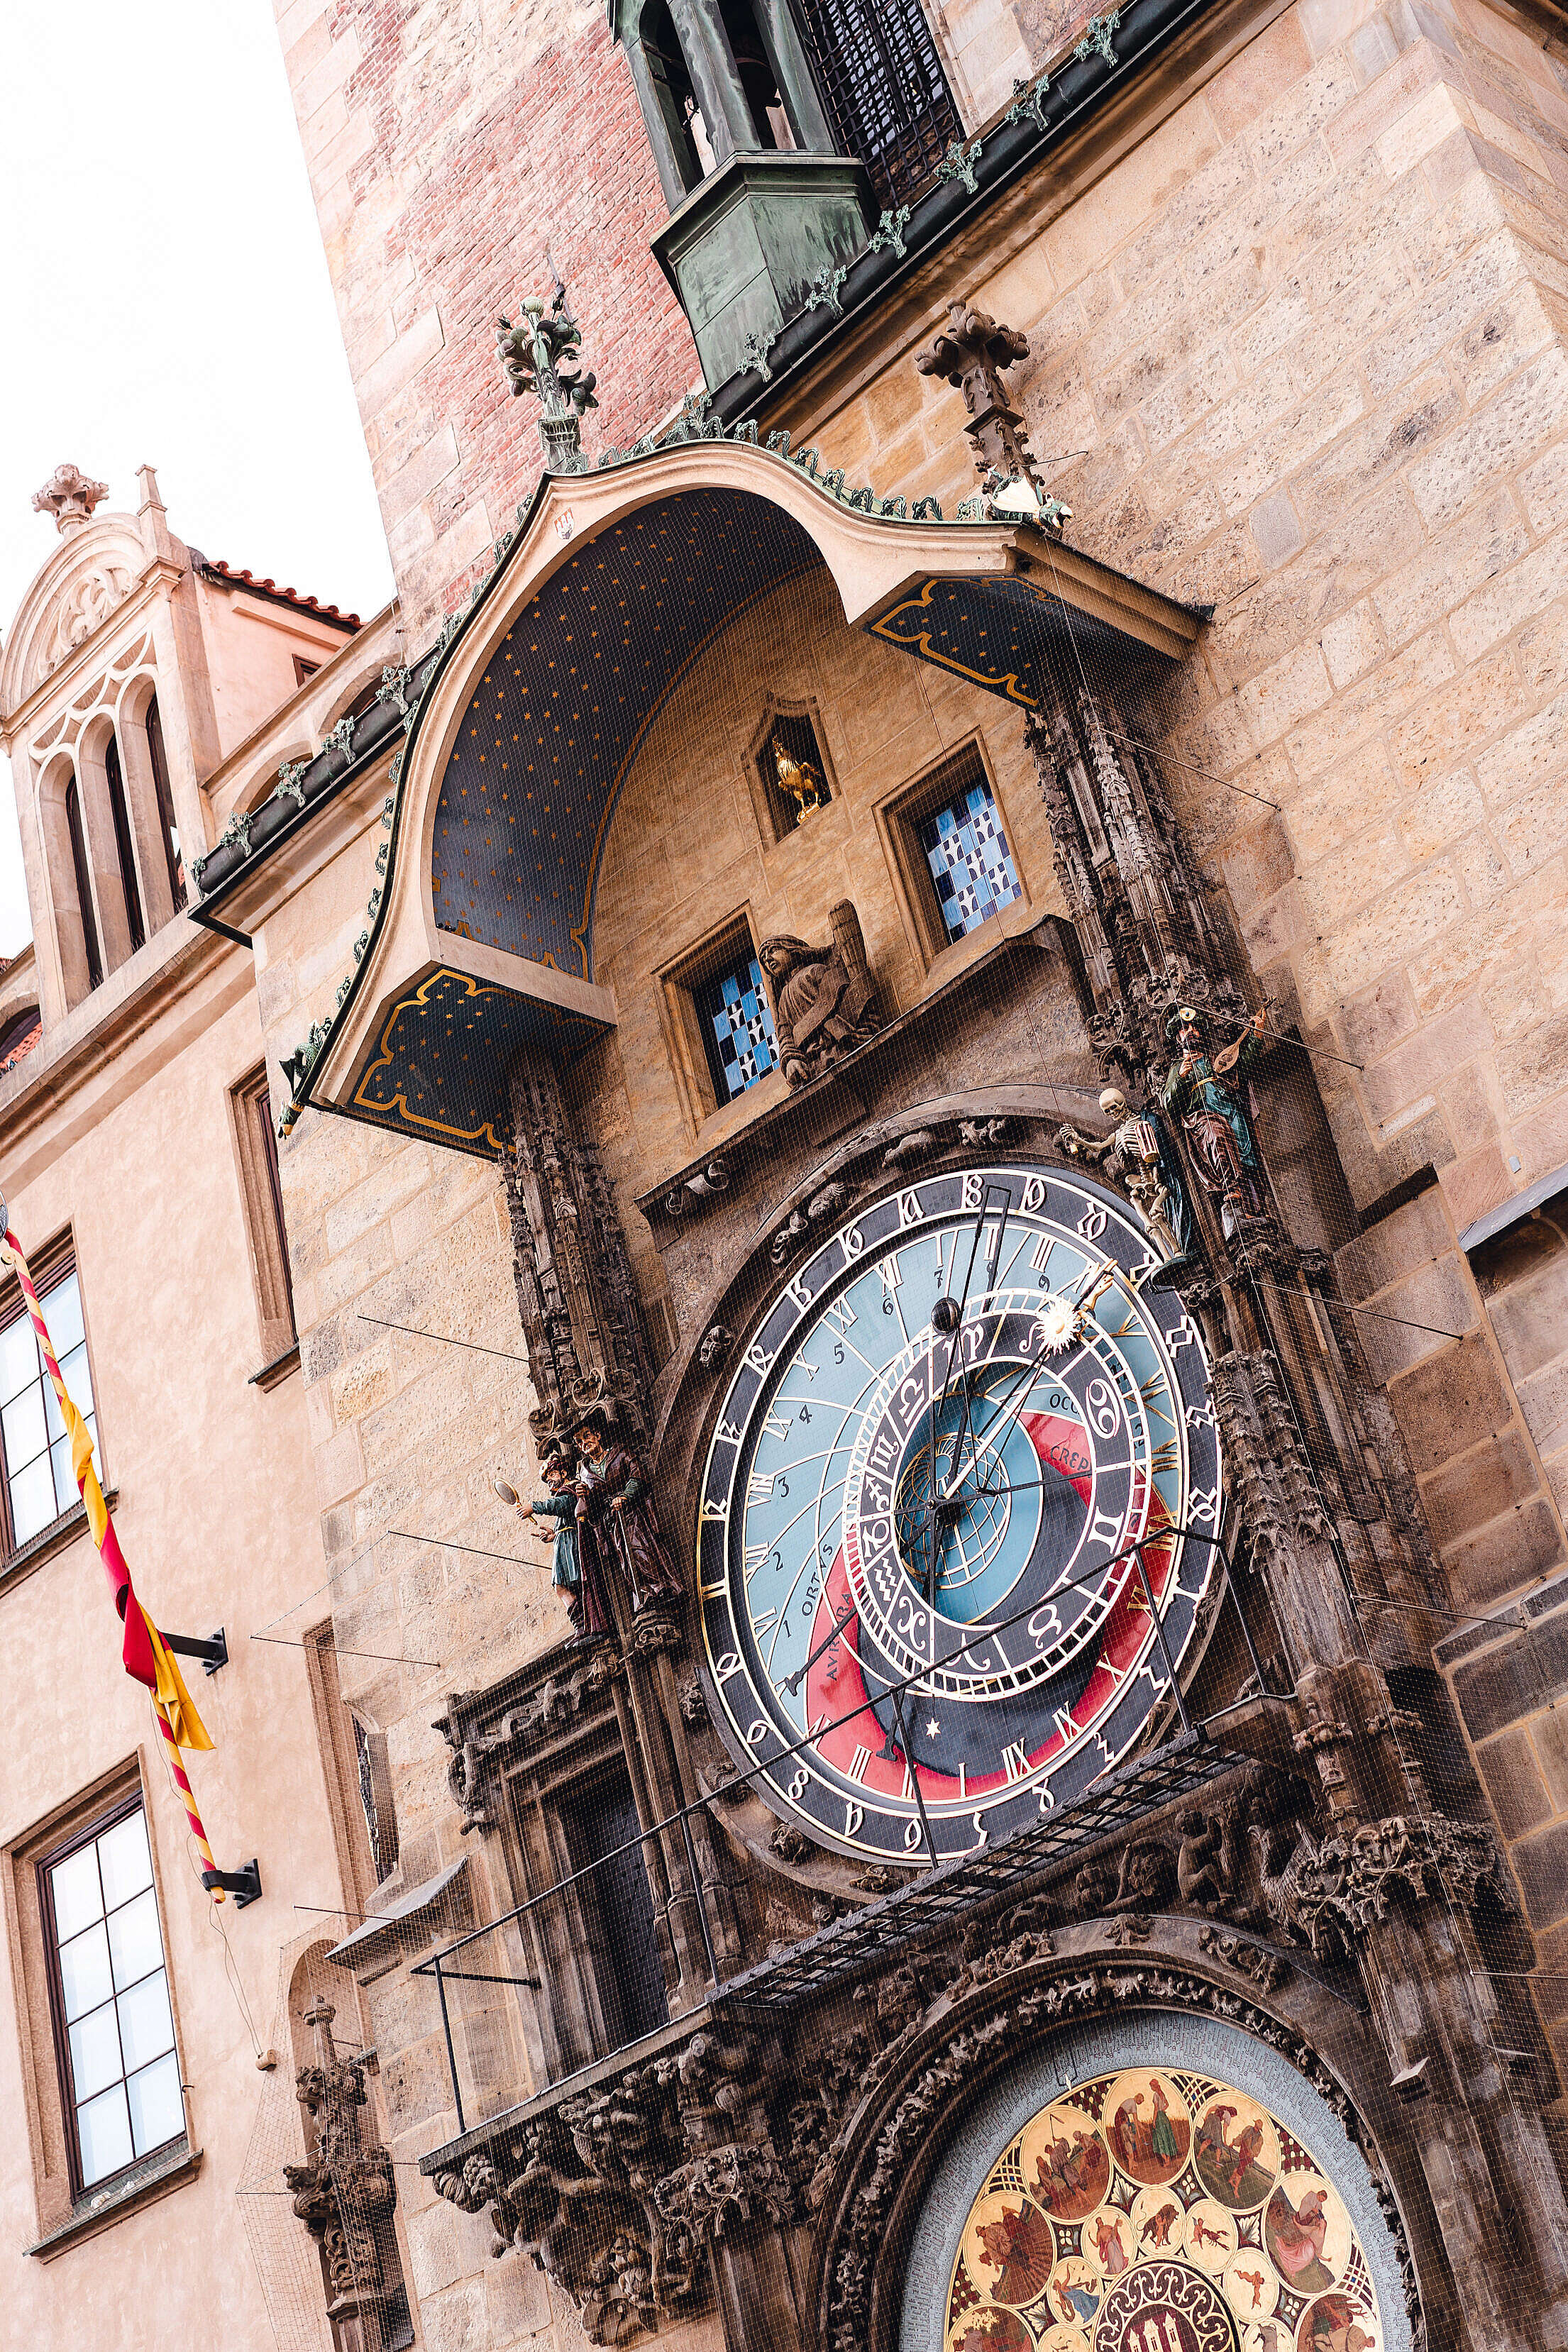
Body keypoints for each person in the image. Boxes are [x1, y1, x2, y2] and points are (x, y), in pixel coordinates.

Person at [1159, 1003, 1271, 1227]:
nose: (1191, 1031)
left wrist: (1256, 1037)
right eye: (1184, 1028)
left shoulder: (1213, 1058)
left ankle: (1258, 1208)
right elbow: (1169, 1104)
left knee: (1246, 1155)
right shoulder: (1177, 1068)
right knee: (1217, 1138)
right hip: (1205, 1118)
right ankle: (1234, 1203)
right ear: (1177, 1036)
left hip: (1231, 1111)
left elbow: (1241, 1069)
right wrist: (1180, 1078)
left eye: (1194, 1027)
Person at [571, 1410, 683, 1613]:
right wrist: (586, 1495)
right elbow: (593, 1509)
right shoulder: (585, 1473)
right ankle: (643, 1595)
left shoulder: (621, 1453)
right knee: (625, 1559)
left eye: (586, 1436)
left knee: (640, 1550)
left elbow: (638, 1474)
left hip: (632, 1514)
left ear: (597, 1435)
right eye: (579, 1442)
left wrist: (625, 1496)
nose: (583, 1444)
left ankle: (661, 1587)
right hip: (613, 1522)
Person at [513, 1444, 612, 1642]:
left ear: (564, 1472)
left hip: (574, 1546)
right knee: (562, 1588)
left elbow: (565, 1506)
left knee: (571, 1586)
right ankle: (582, 1626)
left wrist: (534, 1507)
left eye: (551, 1474)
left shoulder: (572, 1488)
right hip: (564, 1545)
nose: (548, 1480)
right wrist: (553, 1535)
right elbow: (565, 1518)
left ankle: (587, 1625)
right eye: (546, 1478)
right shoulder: (564, 1492)